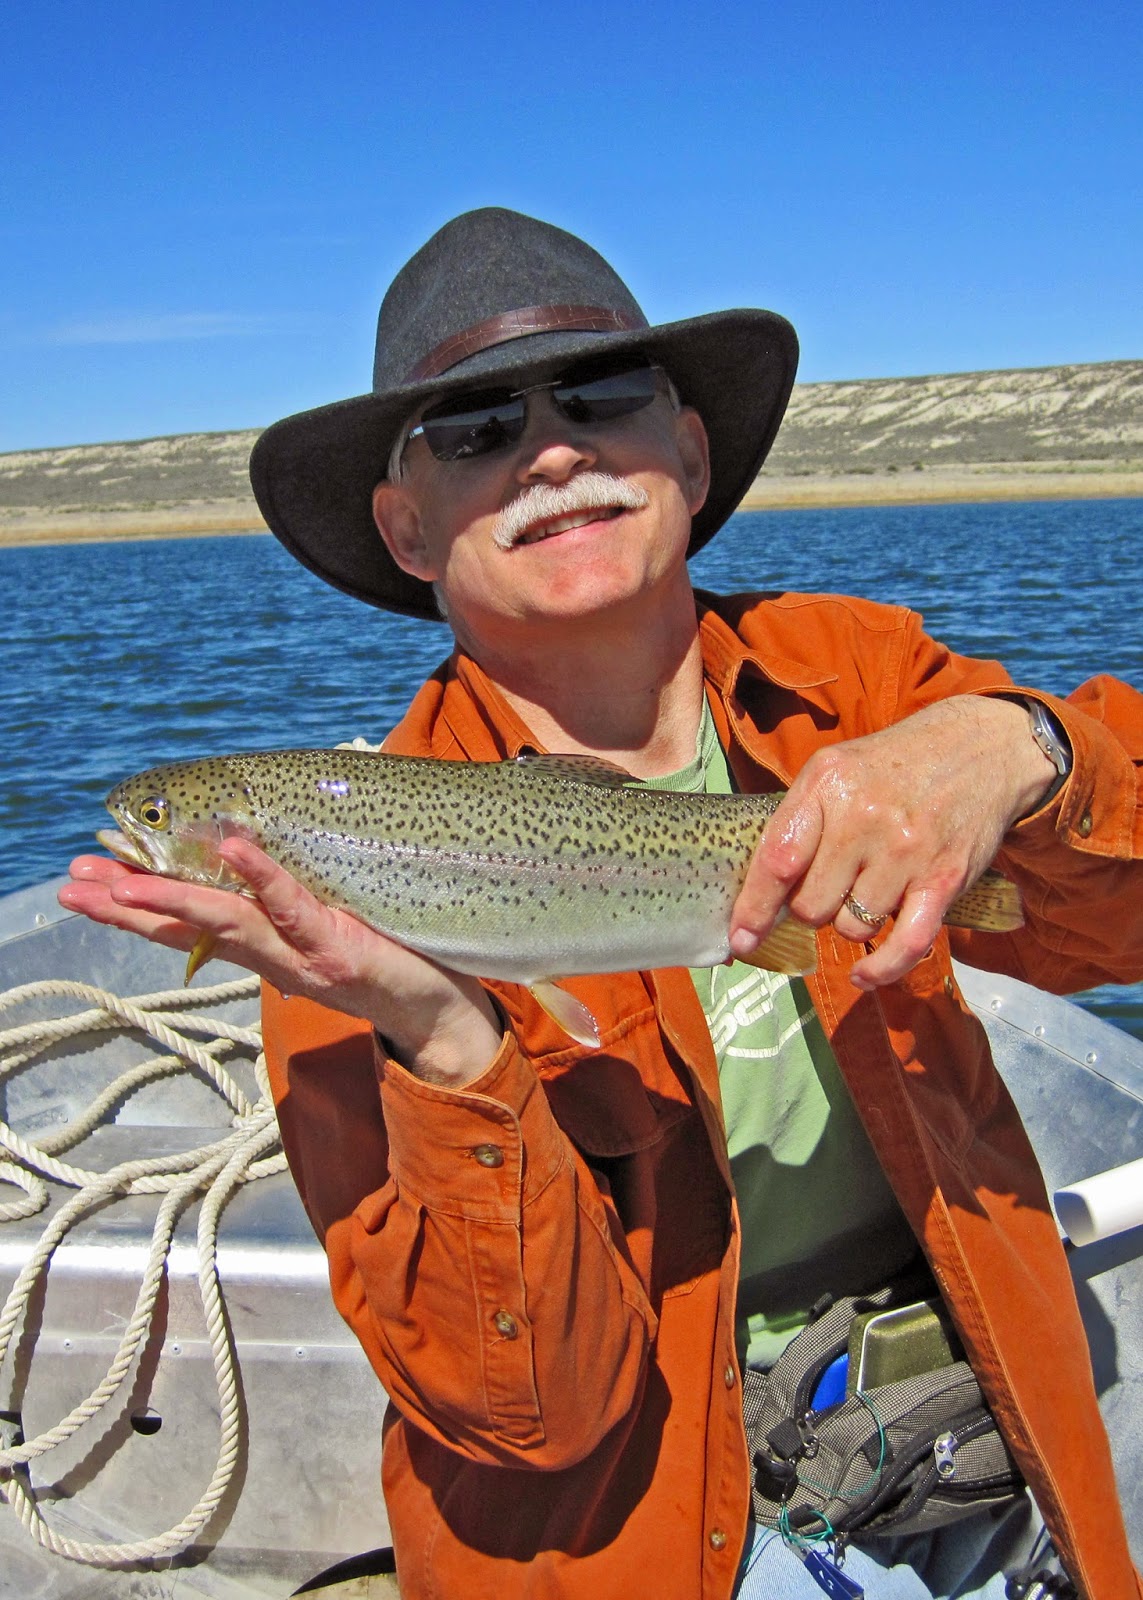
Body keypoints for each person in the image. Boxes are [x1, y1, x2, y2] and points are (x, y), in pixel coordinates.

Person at [61, 208, 1143, 1599]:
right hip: (646, 1536)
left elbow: (1115, 921)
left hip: (966, 1445)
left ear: (688, 454)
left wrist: (1020, 745)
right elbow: (532, 1417)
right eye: (473, 429)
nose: (552, 451)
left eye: (601, 393)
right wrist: (444, 1041)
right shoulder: (317, 920)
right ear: (406, 528)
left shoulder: (856, 683)